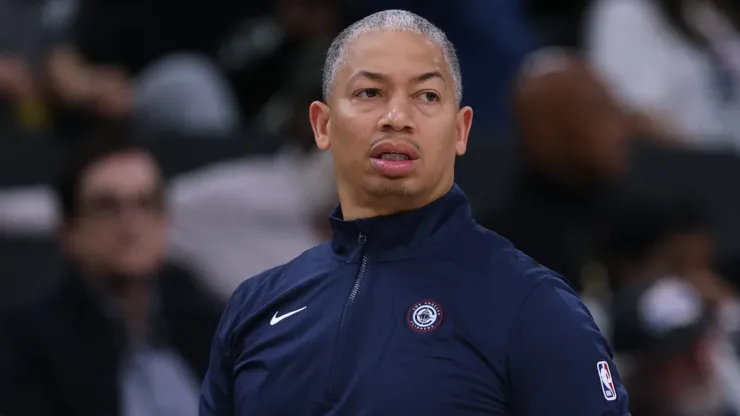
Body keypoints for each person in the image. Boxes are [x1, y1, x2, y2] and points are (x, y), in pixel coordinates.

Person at [200, 9, 630, 415]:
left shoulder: (533, 307)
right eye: (369, 93)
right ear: (322, 125)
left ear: (461, 130)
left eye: (426, 95)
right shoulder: (255, 306)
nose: (396, 117)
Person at [0, 128, 225, 416]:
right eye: (108, 207)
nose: (131, 226)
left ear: (165, 221)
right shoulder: (27, 346)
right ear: (69, 232)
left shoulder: (210, 322)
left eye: (146, 204)